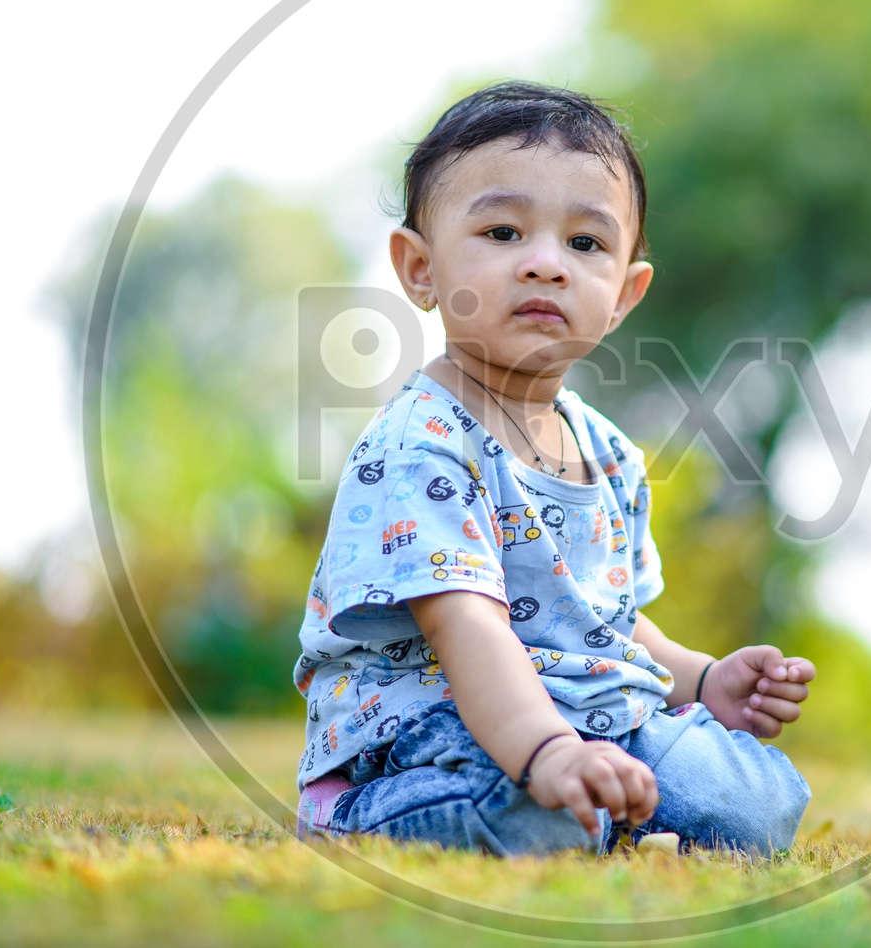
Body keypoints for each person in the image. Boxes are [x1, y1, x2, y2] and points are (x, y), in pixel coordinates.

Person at [294, 81, 815, 857]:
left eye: (584, 244)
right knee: (523, 808)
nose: (546, 265)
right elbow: (468, 626)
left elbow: (608, 620)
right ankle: (362, 812)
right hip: (437, 727)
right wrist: (548, 754)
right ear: (419, 269)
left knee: (756, 803)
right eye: (503, 232)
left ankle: (596, 808)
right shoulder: (422, 444)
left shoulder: (608, 454)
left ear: (624, 296)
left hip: (588, 714)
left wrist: (703, 682)